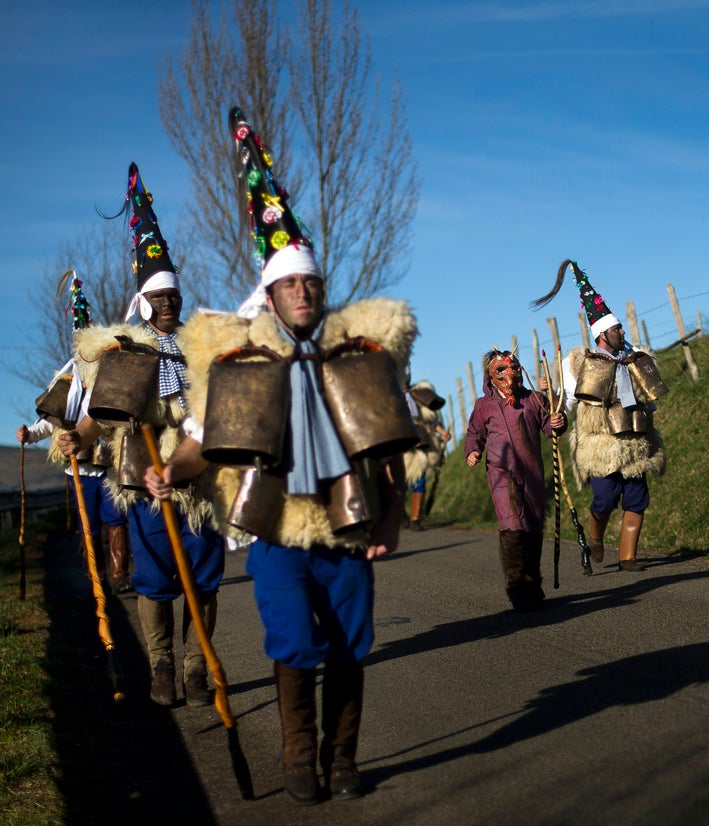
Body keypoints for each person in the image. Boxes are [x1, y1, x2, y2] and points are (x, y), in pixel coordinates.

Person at [146, 107, 413, 805]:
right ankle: (299, 755)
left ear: (321, 290)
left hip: (347, 525)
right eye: (289, 283)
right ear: (269, 293)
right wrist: (168, 472)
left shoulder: (355, 354)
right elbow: (204, 441)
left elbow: (387, 446)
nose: (302, 291)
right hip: (274, 526)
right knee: (295, 642)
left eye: (310, 283)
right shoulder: (241, 362)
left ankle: (342, 756)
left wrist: (390, 521)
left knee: (352, 644)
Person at [58, 165, 224, 707]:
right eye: (160, 298)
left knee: (204, 574)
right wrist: (79, 438)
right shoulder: (127, 347)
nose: (170, 305)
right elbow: (103, 413)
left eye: (174, 296)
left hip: (198, 478)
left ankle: (199, 668)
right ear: (144, 302)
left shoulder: (201, 345)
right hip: (143, 472)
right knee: (155, 577)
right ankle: (161, 666)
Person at [535, 259, 667, 572]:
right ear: (601, 334)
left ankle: (628, 557)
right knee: (605, 499)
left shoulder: (633, 358)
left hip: (634, 439)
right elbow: (566, 399)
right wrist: (554, 410)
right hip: (600, 443)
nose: (622, 331)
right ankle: (595, 535)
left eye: (620, 327)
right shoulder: (580, 363)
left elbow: (647, 398)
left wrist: (650, 433)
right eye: (616, 328)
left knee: (637, 500)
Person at [18, 273, 133, 594]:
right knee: (89, 524)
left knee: (115, 519)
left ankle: (120, 575)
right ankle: (94, 577)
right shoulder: (67, 386)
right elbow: (51, 422)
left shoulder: (109, 382)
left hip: (108, 467)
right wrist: (29, 434)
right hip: (79, 469)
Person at [464, 349, 566, 611]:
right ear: (490, 376)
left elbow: (549, 425)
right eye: (501, 370)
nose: (508, 373)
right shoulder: (483, 405)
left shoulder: (534, 399)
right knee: (512, 524)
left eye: (513, 367)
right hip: (501, 473)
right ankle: (517, 588)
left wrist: (557, 420)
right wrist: (473, 450)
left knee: (532, 526)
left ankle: (533, 583)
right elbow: (474, 432)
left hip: (532, 472)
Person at [403, 379, 452, 530]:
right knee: (400, 483)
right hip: (401, 443)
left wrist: (443, 433)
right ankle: (399, 516)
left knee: (419, 479)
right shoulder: (392, 393)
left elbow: (432, 420)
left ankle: (415, 518)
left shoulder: (420, 393)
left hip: (421, 440)